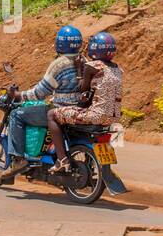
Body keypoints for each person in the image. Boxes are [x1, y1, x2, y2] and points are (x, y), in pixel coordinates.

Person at [5, 26, 85, 171]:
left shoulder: (59, 64)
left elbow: (40, 93)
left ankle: (18, 160)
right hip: (80, 108)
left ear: (59, 44)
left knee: (16, 115)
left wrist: (18, 95)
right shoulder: (84, 60)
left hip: (60, 109)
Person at [47, 32, 123, 173]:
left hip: (96, 116)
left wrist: (78, 68)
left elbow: (82, 87)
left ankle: (62, 159)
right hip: (113, 118)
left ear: (95, 49)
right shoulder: (116, 68)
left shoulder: (92, 66)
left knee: (52, 115)